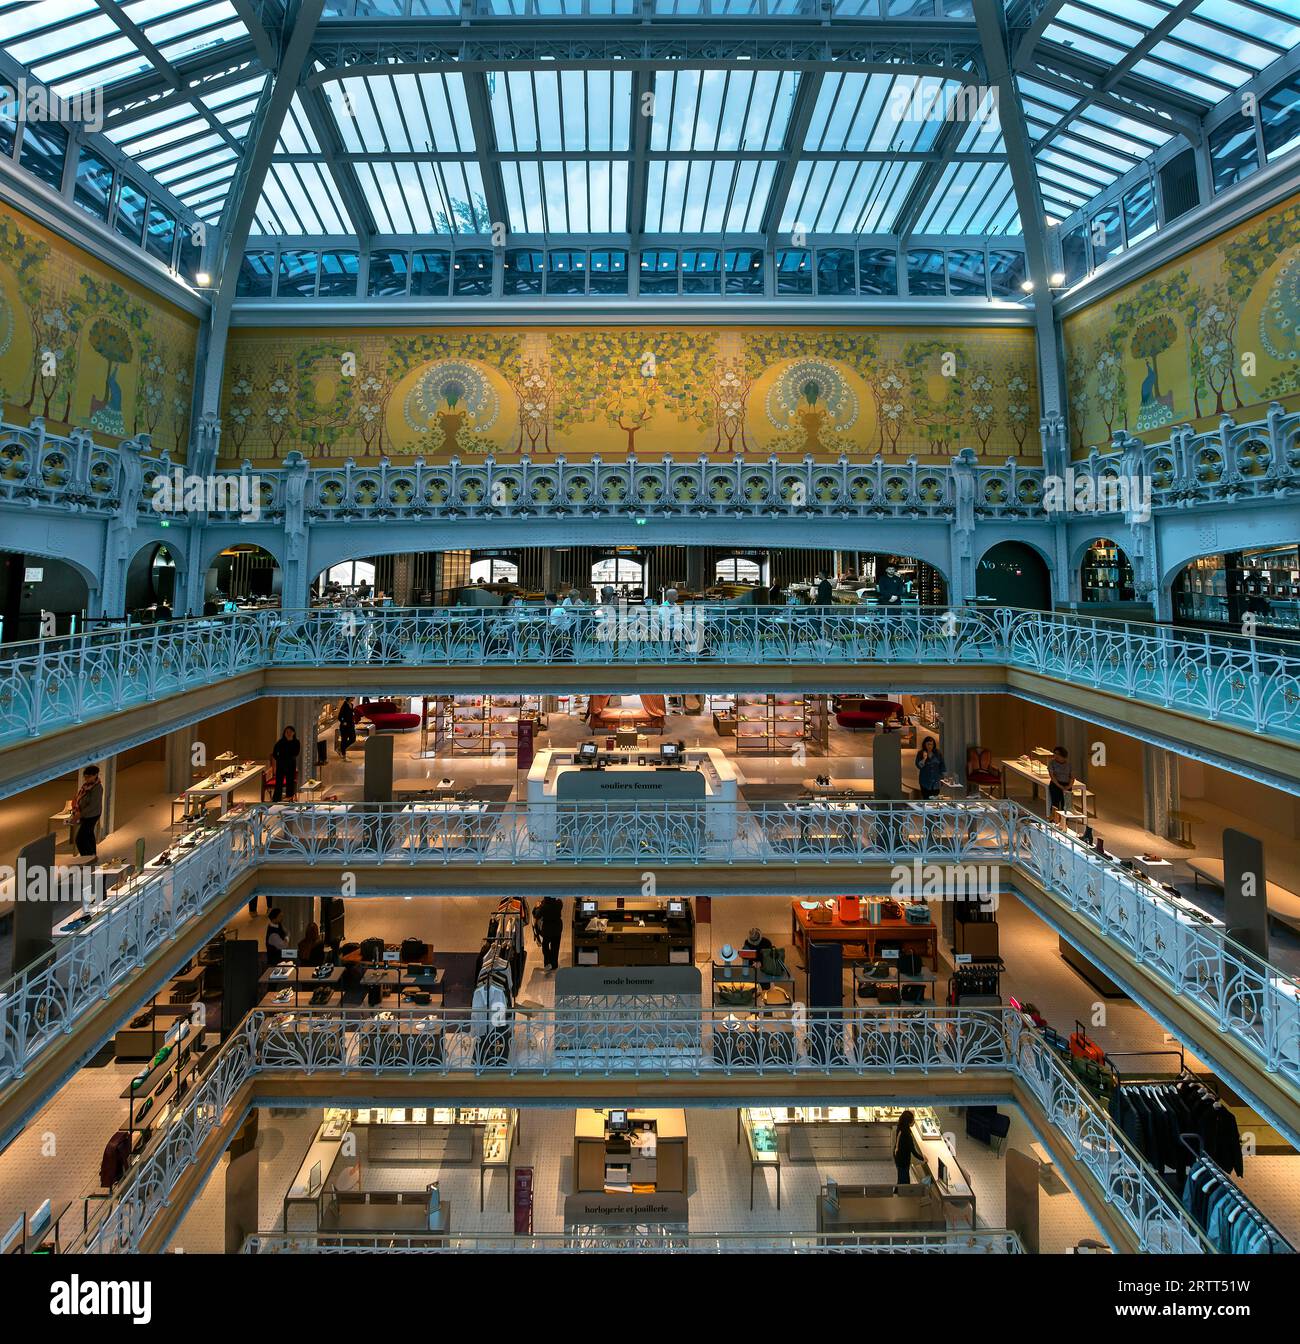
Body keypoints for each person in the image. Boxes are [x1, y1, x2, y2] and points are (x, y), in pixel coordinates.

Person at [71, 765, 103, 858]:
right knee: (89, 835)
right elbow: (80, 797)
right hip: (86, 815)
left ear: (95, 775)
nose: (86, 779)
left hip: (92, 815)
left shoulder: (97, 788)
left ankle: (86, 857)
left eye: (89, 777)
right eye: (85, 777)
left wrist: (79, 814)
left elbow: (93, 805)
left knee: (80, 839)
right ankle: (92, 856)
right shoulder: (86, 786)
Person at [533, 896, 564, 972]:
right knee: (555, 946)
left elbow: (537, 915)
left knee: (545, 946)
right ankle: (554, 964)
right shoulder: (559, 903)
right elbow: (559, 901)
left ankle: (547, 963)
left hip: (547, 928)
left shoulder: (544, 906)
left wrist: (537, 907)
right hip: (557, 927)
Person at [271, 725, 300, 802]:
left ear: (293, 733)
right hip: (281, 765)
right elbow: (274, 754)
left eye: (290, 732)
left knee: (290, 782)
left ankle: (289, 799)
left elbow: (296, 753)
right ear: (284, 733)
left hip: (291, 764)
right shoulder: (280, 742)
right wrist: (279, 760)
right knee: (279, 783)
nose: (288, 733)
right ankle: (276, 800)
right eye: (287, 732)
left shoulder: (296, 742)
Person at [894, 1111, 920, 1185]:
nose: (914, 1121)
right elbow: (913, 1151)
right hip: (903, 1159)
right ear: (908, 1122)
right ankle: (901, 1194)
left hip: (898, 1155)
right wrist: (923, 1158)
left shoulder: (900, 1127)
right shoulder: (907, 1135)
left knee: (901, 1178)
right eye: (912, 1120)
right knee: (904, 1181)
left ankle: (898, 1192)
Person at [1047, 745, 1074, 816]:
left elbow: (1072, 777)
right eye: (1055, 753)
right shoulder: (1052, 762)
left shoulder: (1069, 764)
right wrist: (1060, 786)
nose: (1056, 755)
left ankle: (1064, 821)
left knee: (1066, 805)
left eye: (1058, 754)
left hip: (1066, 785)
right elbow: (1052, 776)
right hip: (1055, 785)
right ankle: (1053, 819)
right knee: (1055, 803)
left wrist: (1069, 786)